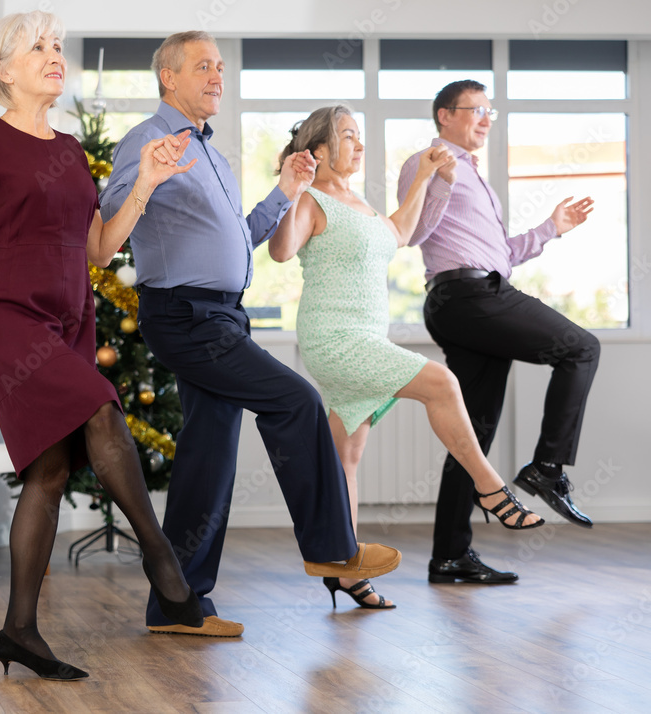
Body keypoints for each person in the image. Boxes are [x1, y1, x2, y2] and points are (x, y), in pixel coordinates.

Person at [0, 11, 204, 681]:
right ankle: (164, 563)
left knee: (48, 471)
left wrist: (146, 184)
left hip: (71, 317)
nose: (54, 55)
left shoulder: (69, 150)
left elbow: (99, 250)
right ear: (4, 71)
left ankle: (19, 630)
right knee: (100, 407)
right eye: (38, 47)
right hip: (10, 314)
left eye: (58, 46)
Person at [101, 32, 401, 637]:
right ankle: (332, 549)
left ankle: (177, 605)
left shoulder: (210, 153)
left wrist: (286, 191)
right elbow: (107, 224)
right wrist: (147, 180)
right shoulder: (148, 140)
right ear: (168, 78)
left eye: (220, 66)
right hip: (186, 315)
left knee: (208, 457)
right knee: (296, 400)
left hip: (220, 315)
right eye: (202, 66)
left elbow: (240, 238)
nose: (217, 76)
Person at [269, 106, 544, 609]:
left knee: (346, 456)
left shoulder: (357, 202)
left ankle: (344, 566)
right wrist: (290, 190)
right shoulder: (310, 199)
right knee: (442, 382)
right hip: (337, 338)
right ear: (320, 150)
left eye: (359, 136)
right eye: (348, 136)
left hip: (365, 335)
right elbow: (282, 251)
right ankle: (490, 488)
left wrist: (423, 179)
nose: (359, 144)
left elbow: (399, 233)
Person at [398, 79, 599, 585]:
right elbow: (412, 232)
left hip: (477, 293)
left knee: (471, 434)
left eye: (490, 111)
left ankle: (450, 556)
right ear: (445, 115)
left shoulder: (473, 175)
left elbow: (500, 257)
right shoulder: (427, 163)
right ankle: (547, 468)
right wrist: (438, 180)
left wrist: (551, 228)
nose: (486, 119)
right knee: (581, 347)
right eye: (476, 110)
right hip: (466, 298)